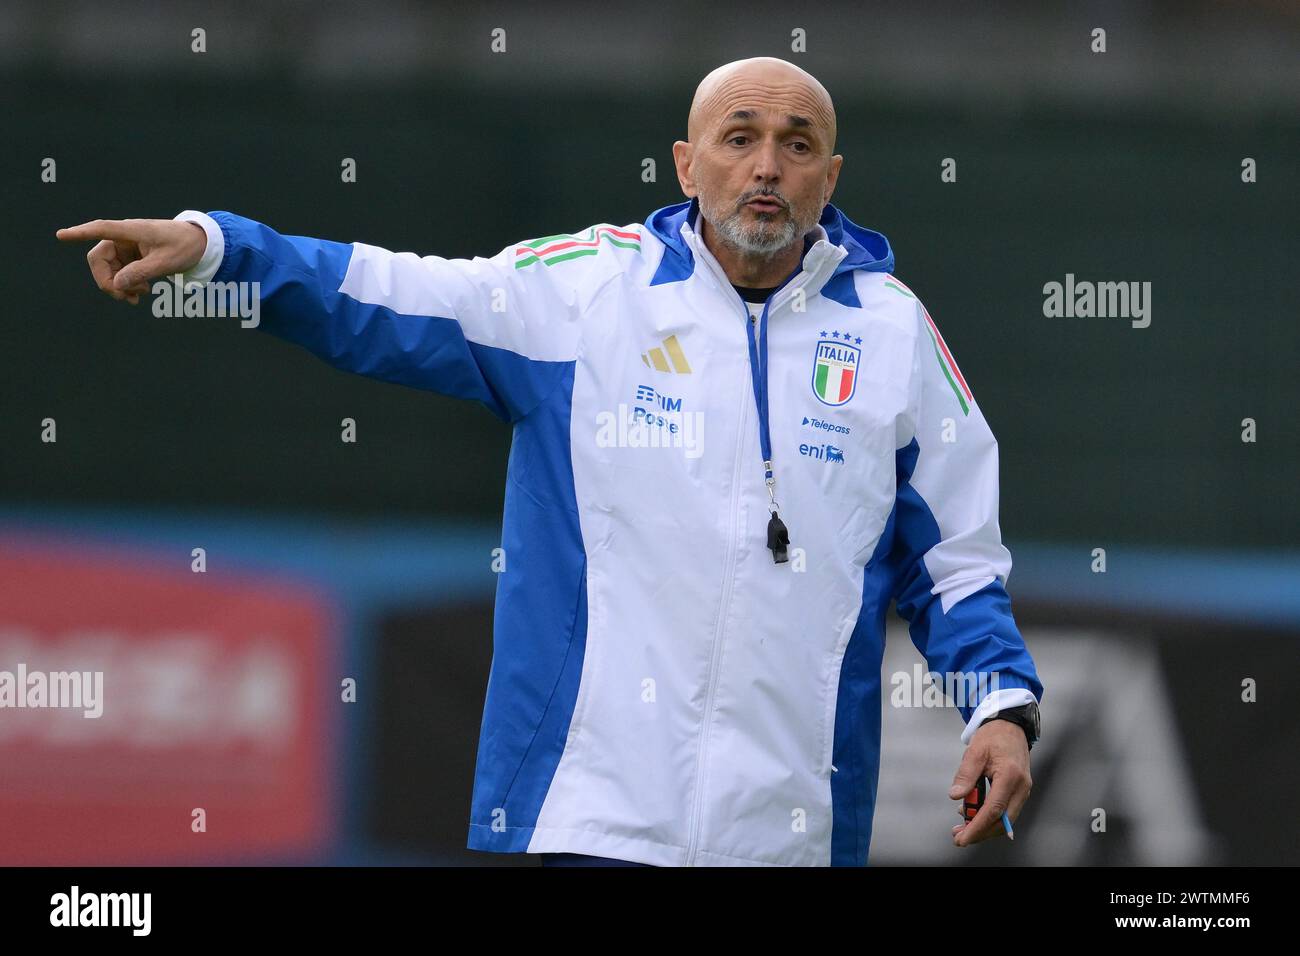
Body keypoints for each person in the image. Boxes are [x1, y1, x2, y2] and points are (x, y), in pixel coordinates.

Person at [57, 56, 1042, 867]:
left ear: (831, 178)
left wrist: (997, 702)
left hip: (791, 837)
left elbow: (956, 555)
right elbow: (381, 295)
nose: (767, 166)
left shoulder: (894, 335)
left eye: (797, 145)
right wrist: (222, 249)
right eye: (738, 138)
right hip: (578, 818)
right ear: (685, 164)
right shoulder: (579, 292)